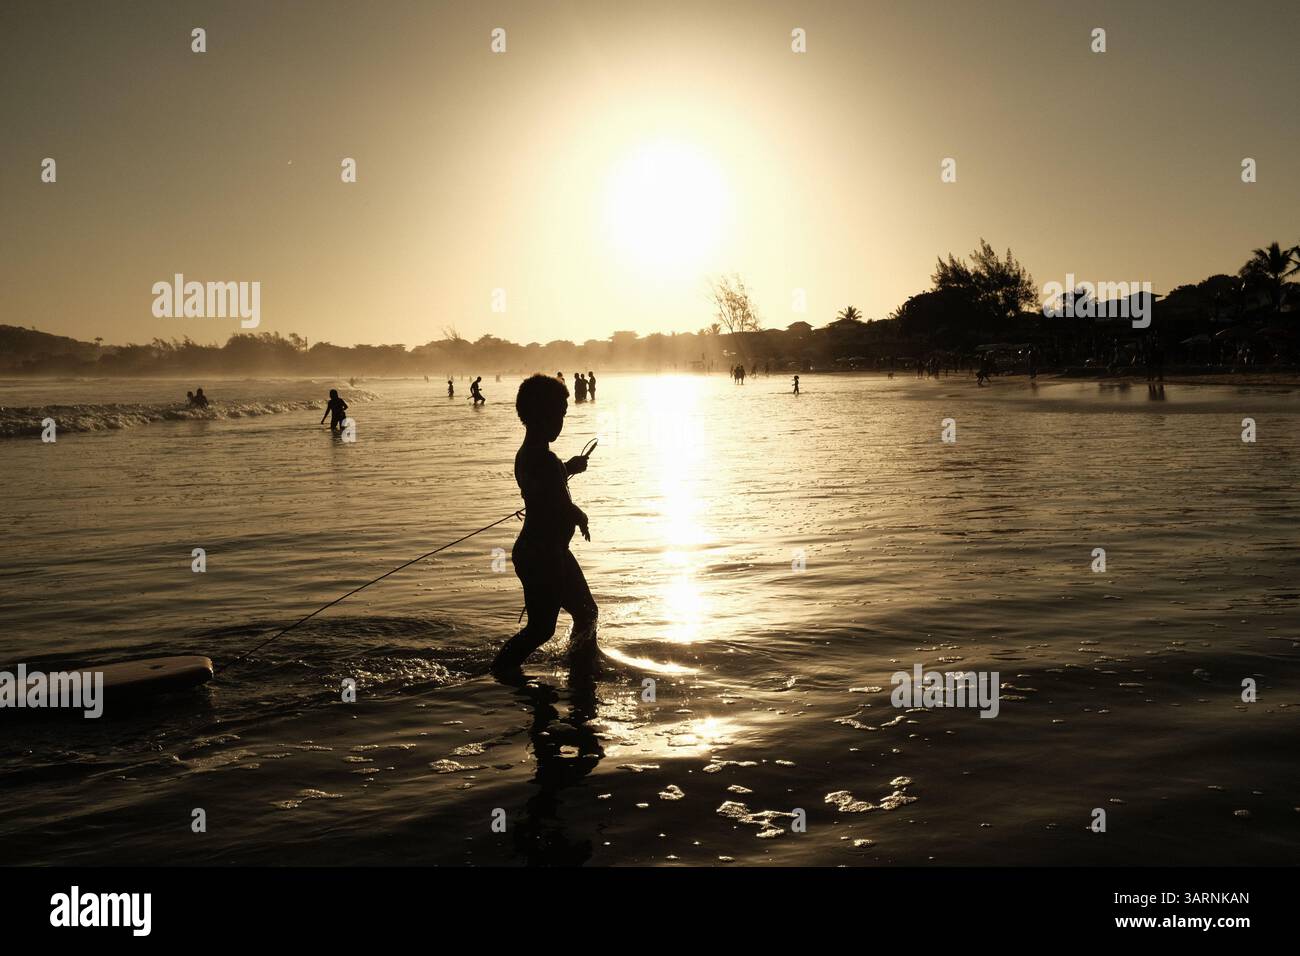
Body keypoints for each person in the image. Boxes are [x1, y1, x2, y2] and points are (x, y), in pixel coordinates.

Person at [492, 374, 597, 677]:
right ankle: (500, 671)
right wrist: (579, 515)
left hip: (546, 552)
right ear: (542, 415)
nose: (562, 421)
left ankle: (582, 665)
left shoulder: (529, 455)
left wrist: (569, 467)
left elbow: (548, 482)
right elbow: (557, 505)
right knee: (542, 629)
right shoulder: (544, 460)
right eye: (560, 414)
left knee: (585, 612)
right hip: (542, 555)